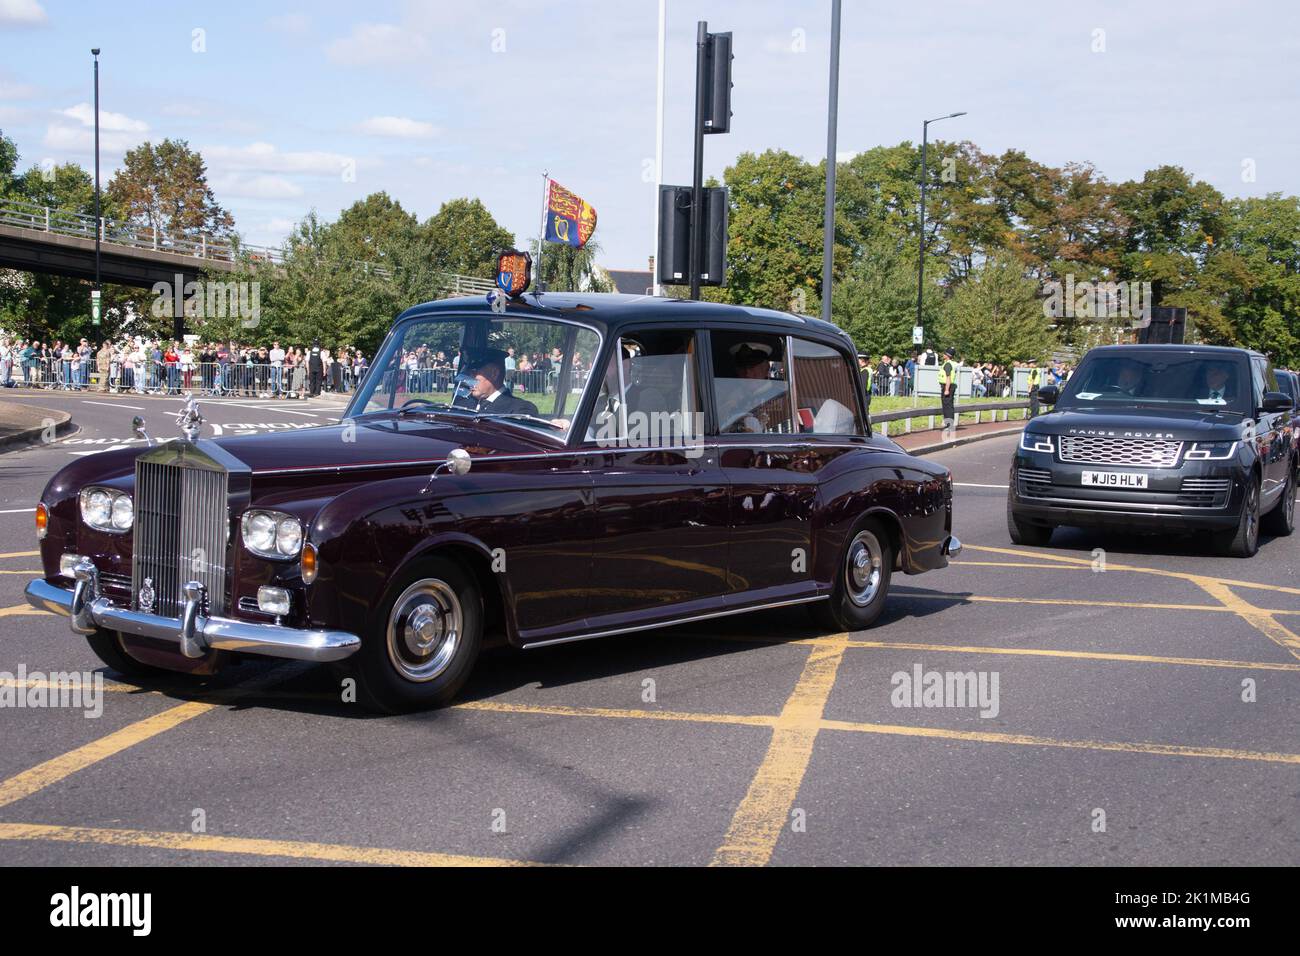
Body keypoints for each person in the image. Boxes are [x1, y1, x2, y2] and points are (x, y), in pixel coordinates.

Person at [452, 349, 539, 416]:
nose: (470, 379)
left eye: (475, 373)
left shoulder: (520, 410)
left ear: (494, 373)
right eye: (469, 374)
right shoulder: (463, 405)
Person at [939, 347, 959, 432]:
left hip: (947, 386)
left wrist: (946, 389)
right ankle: (948, 424)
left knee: (947, 407)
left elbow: (948, 377)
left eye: (944, 353)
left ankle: (949, 426)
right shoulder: (952, 363)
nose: (943, 355)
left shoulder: (948, 364)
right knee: (948, 406)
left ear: (947, 355)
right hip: (950, 386)